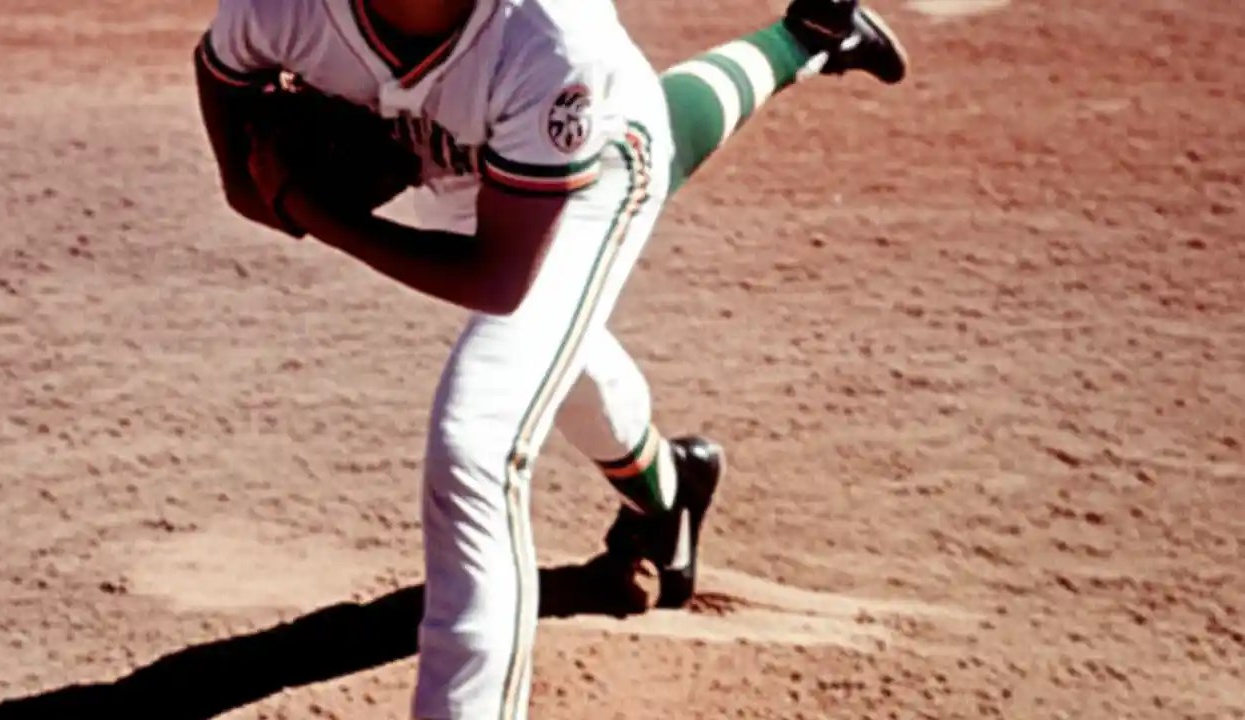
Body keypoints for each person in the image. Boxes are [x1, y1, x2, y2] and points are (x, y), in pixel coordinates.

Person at [194, 0, 906, 717]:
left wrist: (313, 210)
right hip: (467, 170)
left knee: (478, 437)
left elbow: (497, 280)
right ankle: (669, 488)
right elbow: (227, 104)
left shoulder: (555, 35)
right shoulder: (279, 6)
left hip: (596, 176)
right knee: (557, 352)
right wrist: (263, 192)